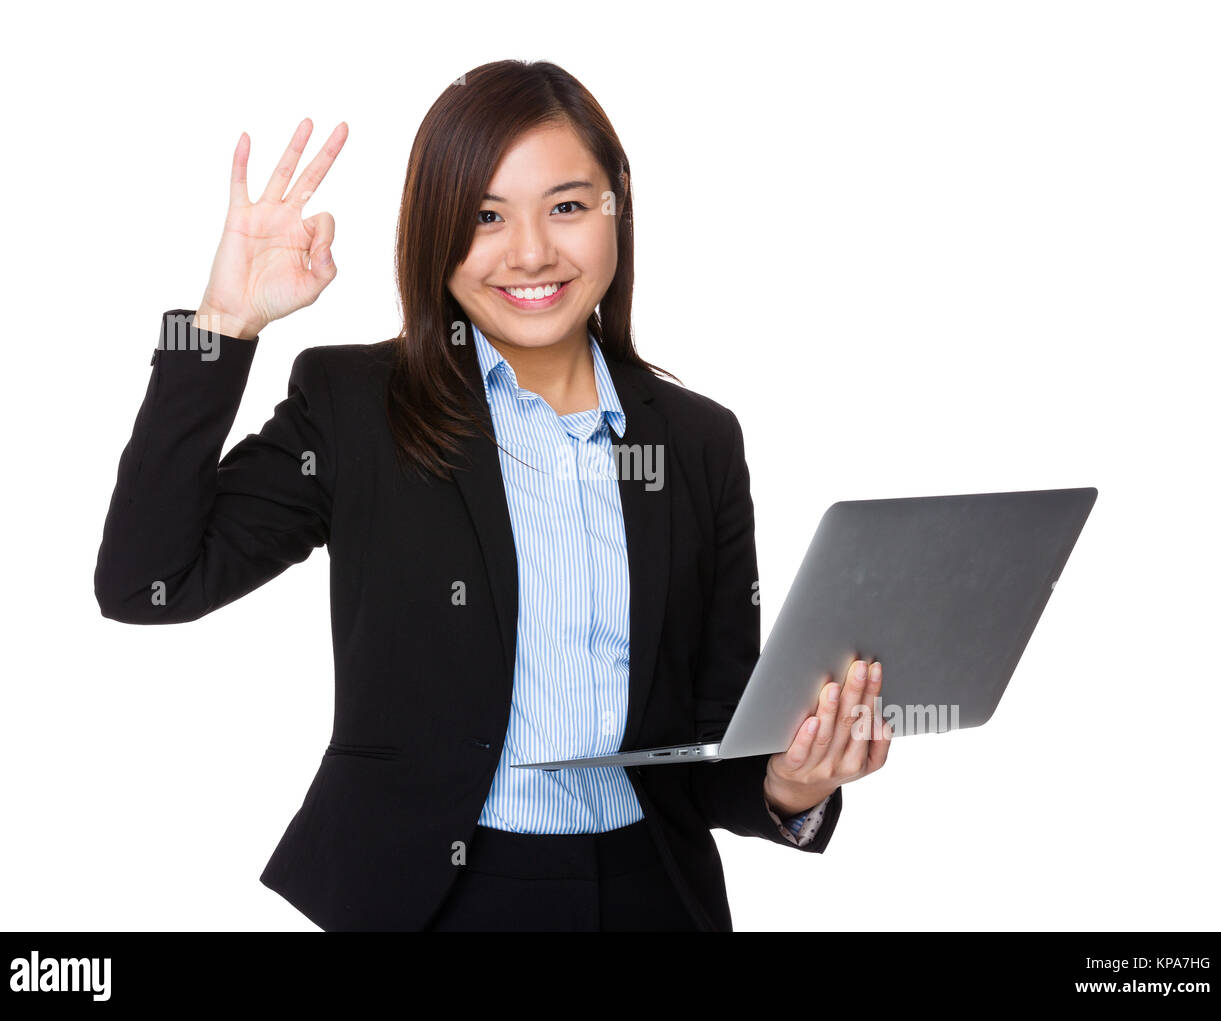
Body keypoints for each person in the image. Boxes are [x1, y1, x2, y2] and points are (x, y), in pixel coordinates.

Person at [94, 59, 892, 932]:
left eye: (567, 205)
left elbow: (708, 742)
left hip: (650, 895)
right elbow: (146, 581)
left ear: (616, 205)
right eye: (484, 215)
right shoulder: (357, 410)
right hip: (434, 901)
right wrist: (220, 324)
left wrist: (793, 781)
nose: (531, 253)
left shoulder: (697, 442)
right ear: (434, 230)